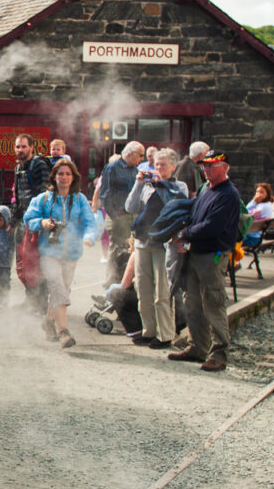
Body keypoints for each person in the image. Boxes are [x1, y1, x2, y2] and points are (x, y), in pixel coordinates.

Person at [168, 148, 241, 372]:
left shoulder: (228, 194)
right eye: (204, 165)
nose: (206, 169)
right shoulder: (205, 189)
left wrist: (183, 235)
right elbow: (195, 217)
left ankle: (219, 354)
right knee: (193, 302)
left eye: (212, 165)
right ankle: (197, 346)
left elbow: (213, 226)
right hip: (196, 252)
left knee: (214, 302)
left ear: (225, 167)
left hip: (213, 254)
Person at [24, 157, 98, 348]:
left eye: (67, 174)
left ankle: (48, 321)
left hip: (72, 254)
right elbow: (28, 218)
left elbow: (90, 222)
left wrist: (89, 236)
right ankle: (64, 332)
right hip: (49, 253)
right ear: (54, 177)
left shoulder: (80, 200)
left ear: (73, 177)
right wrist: (42, 223)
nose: (64, 177)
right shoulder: (44, 199)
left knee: (62, 291)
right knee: (57, 288)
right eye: (60, 174)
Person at [125, 147, 189, 349]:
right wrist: (138, 184)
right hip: (143, 241)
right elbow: (130, 207)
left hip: (163, 243)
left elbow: (176, 206)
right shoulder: (147, 185)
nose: (159, 168)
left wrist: (160, 185)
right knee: (142, 288)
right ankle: (148, 331)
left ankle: (165, 334)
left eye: (163, 164)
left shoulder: (179, 186)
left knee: (162, 291)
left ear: (173, 166)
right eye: (156, 164)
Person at [12, 134, 52, 312]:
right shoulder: (18, 168)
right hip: (21, 221)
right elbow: (17, 196)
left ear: (31, 148)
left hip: (35, 222)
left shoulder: (39, 165)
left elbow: (43, 193)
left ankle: (40, 303)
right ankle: (31, 299)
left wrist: (36, 220)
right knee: (22, 262)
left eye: (23, 147)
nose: (20, 150)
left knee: (37, 263)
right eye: (18, 147)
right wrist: (13, 219)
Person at [98, 141, 145, 285]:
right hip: (118, 215)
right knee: (116, 251)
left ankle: (125, 284)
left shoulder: (135, 170)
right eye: (140, 155)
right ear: (130, 153)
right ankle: (110, 283)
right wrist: (115, 216)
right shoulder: (112, 168)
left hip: (133, 216)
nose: (142, 159)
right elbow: (104, 194)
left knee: (130, 250)